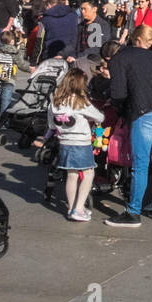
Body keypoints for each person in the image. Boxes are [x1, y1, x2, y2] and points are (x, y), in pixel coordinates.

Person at [102, 23, 152, 228]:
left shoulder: (121, 57)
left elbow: (118, 92)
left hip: (144, 111)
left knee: (141, 165)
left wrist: (118, 108)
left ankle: (133, 211)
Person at [47, 68, 102, 222]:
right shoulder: (80, 101)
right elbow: (100, 116)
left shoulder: (55, 101)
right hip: (81, 142)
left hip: (64, 142)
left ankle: (71, 208)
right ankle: (78, 208)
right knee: (88, 173)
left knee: (71, 175)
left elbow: (51, 125)